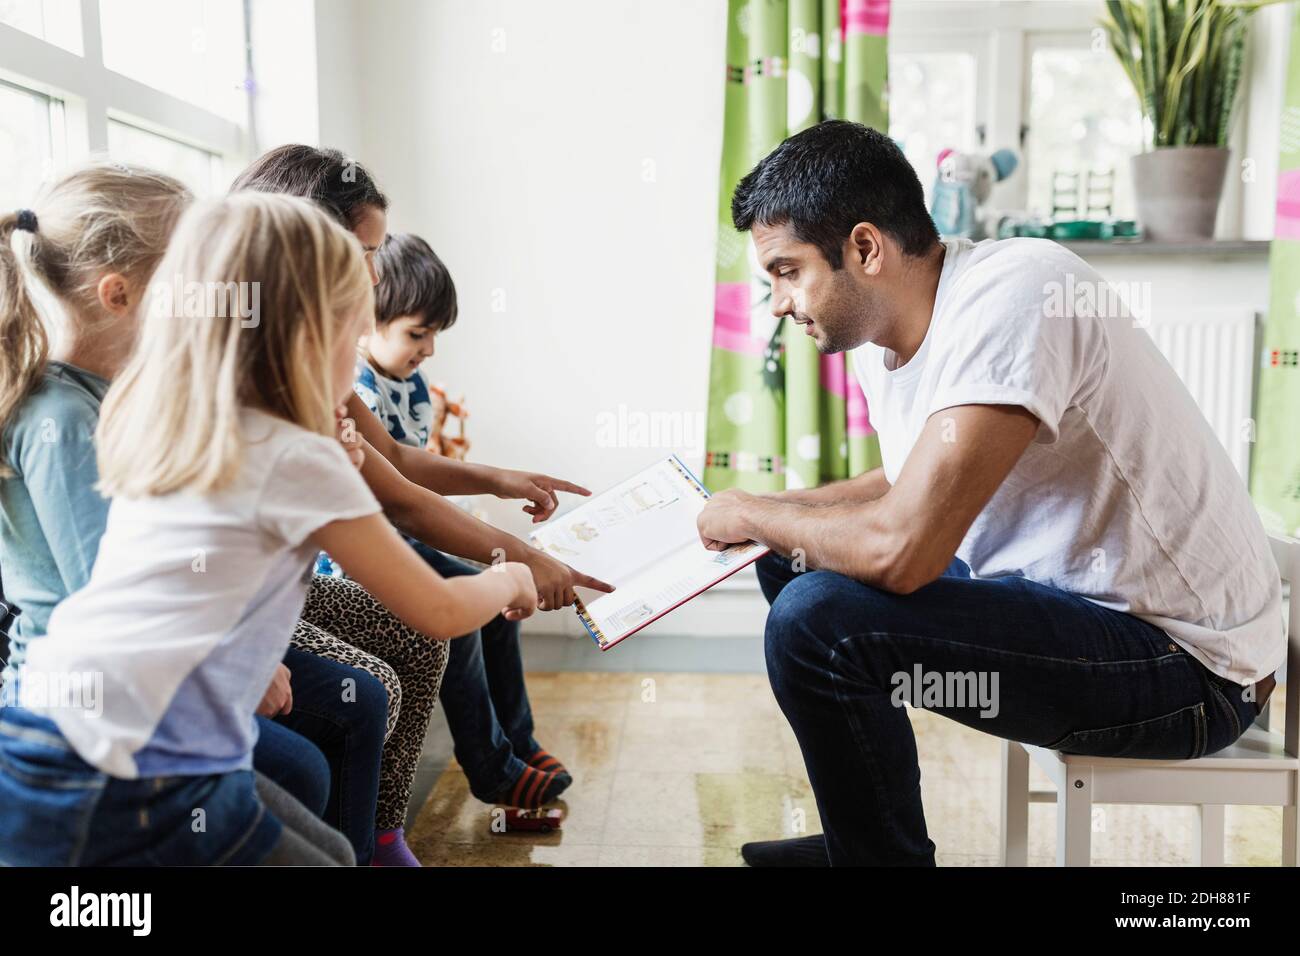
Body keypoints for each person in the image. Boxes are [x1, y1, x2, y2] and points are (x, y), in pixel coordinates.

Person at [696, 120, 1282, 866]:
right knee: (790, 561)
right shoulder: (888, 332)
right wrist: (779, 513)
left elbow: (905, 552)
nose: (778, 302)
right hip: (1082, 612)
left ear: (866, 249)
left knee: (818, 618)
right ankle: (865, 838)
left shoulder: (1017, 293)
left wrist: (754, 511)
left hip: (1190, 670)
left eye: (787, 271)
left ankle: (882, 861)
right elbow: (917, 476)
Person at [0, 191, 538, 865]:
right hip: (129, 779)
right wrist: (507, 578)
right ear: (315, 331)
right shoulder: (295, 457)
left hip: (50, 741)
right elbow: (437, 608)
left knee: (332, 856)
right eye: (356, 323)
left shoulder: (165, 418)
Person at [231, 147, 613, 823]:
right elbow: (398, 497)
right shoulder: (281, 381)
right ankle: (474, 776)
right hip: (245, 618)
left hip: (261, 606)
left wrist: (499, 483)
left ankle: (395, 826)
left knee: (421, 647)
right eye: (364, 251)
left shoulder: (307, 366)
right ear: (305, 248)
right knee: (422, 644)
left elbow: (395, 465)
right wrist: (518, 566)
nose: (375, 273)